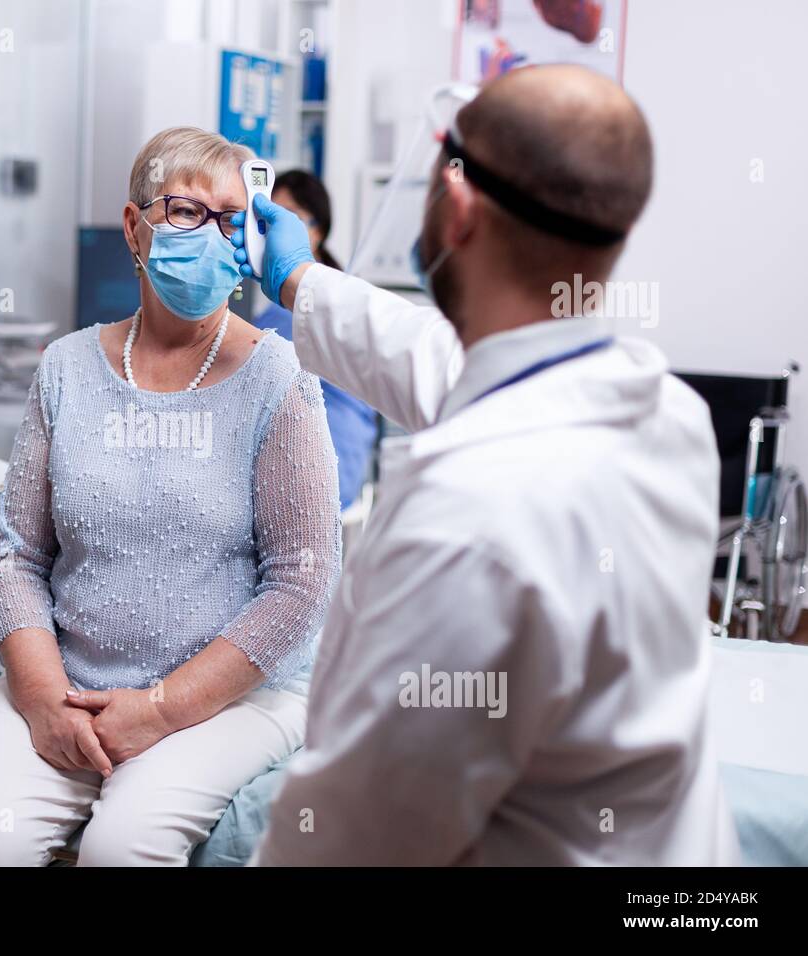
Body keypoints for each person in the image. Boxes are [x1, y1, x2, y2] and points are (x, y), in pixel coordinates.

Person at [231, 64, 738, 864]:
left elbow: (350, 840)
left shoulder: (464, 519)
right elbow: (451, 364)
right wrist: (300, 281)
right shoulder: (663, 410)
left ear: (458, 208)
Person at [0, 127, 341, 866]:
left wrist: (160, 709)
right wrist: (44, 695)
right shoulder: (65, 369)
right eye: (186, 211)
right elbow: (15, 556)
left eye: (229, 219)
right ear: (135, 227)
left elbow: (303, 582)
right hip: (71, 681)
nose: (210, 235)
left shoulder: (280, 378)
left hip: (231, 698)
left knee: (122, 846)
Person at [252, 170, 378, 511]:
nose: (270, 231)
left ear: (317, 232)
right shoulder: (328, 290)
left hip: (325, 469)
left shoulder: (296, 309)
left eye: (288, 219)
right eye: (263, 218)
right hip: (341, 466)